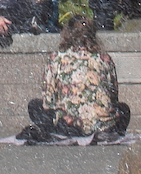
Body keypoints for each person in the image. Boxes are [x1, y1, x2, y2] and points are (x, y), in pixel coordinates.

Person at [20, 15, 130, 144]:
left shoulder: (56, 59)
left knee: (34, 105)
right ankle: (107, 133)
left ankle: (55, 133)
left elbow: (48, 100)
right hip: (101, 125)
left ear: (67, 34)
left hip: (69, 125)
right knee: (124, 108)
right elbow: (113, 96)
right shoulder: (104, 59)